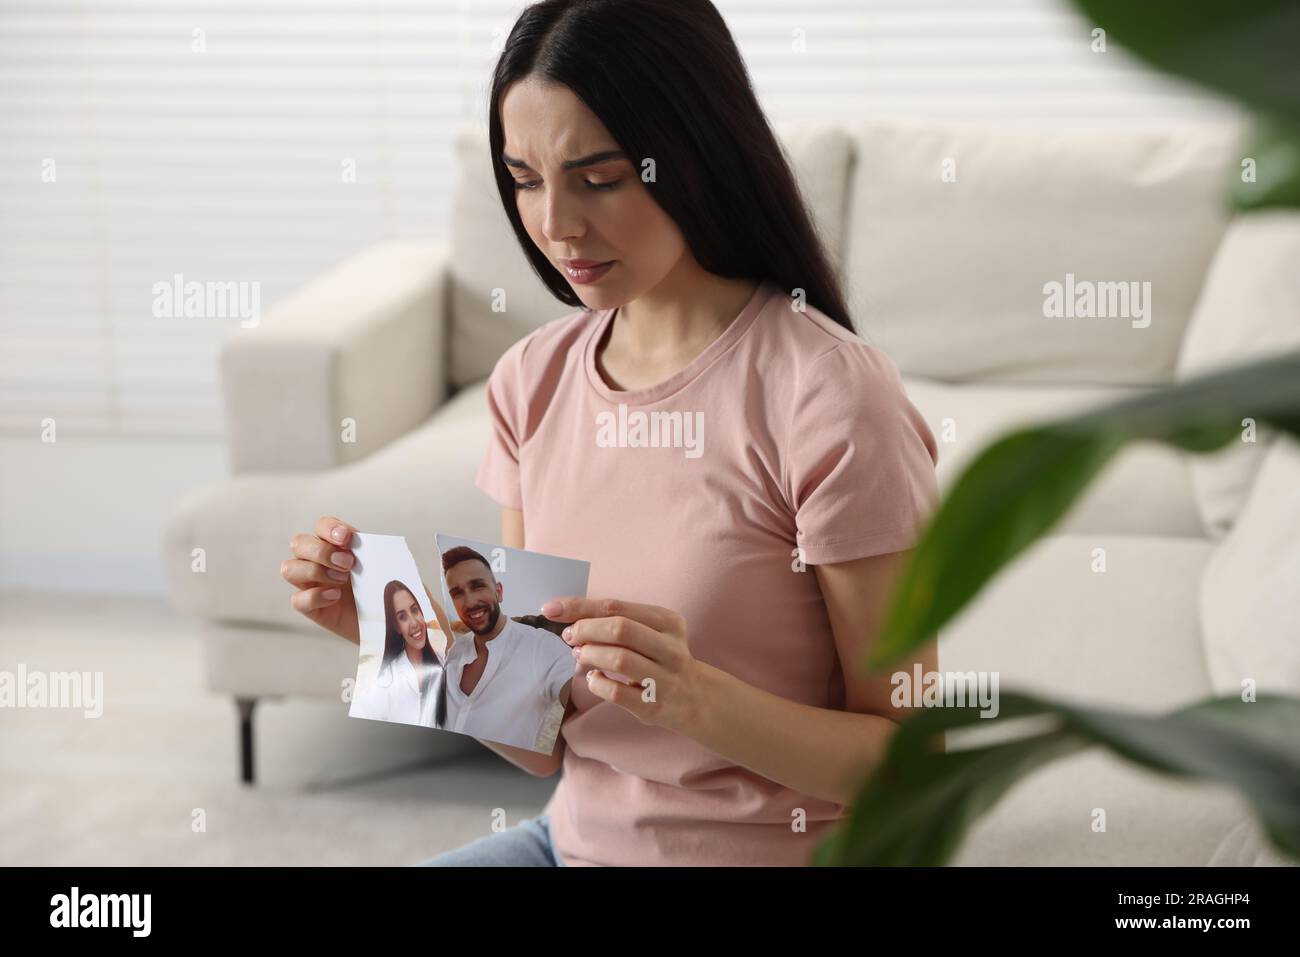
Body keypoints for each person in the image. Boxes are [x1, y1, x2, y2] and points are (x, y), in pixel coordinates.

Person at [281, 0, 940, 866]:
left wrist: (698, 699)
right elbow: (539, 727)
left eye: (599, 177)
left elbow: (913, 763)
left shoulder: (827, 393)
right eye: (523, 177)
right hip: (571, 846)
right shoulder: (531, 381)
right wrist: (394, 642)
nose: (555, 223)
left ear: (695, 157)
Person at [425, 546, 574, 753]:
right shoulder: (453, 653)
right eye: (458, 593)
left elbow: (577, 699)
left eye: (477, 586)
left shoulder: (542, 647)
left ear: (499, 591)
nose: (470, 602)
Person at [349, 580, 443, 726]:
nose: (414, 623)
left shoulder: (444, 663)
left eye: (414, 610)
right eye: (402, 617)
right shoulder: (385, 681)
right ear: (397, 628)